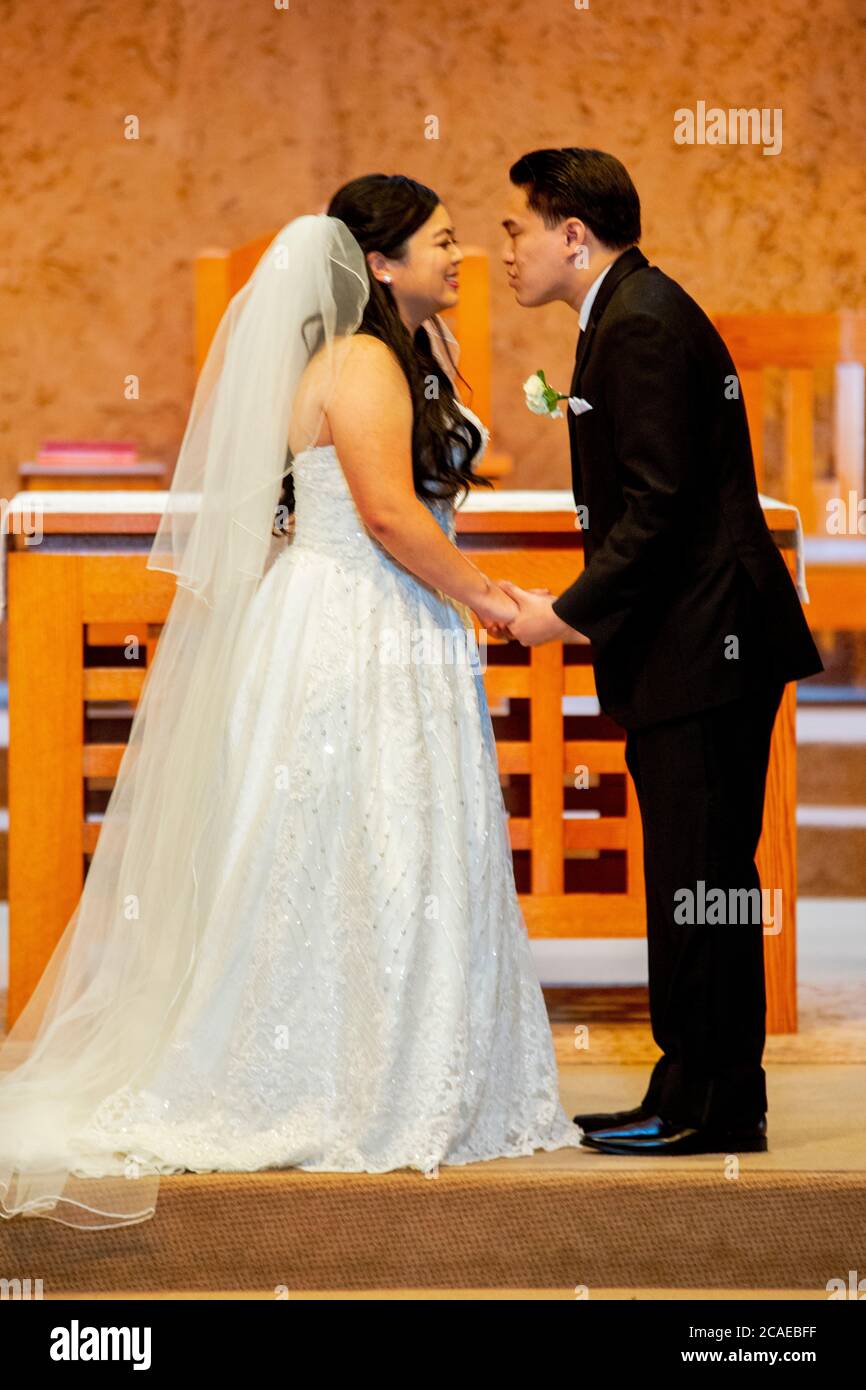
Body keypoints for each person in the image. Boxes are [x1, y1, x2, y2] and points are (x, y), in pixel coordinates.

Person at [0, 174, 583, 1230]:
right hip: (348, 624)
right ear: (382, 263)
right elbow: (392, 517)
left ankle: (412, 1063)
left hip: (397, 622)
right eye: (440, 242)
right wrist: (491, 599)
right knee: (330, 842)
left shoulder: (419, 353)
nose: (459, 258)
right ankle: (322, 1074)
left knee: (401, 846)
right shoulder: (357, 361)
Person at [498, 147, 824, 1155]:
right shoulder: (628, 311)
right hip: (695, 645)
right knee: (697, 877)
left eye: (516, 227)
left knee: (701, 878)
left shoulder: (635, 323)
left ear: (570, 233)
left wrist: (560, 613)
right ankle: (691, 1088)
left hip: (703, 646)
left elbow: (658, 510)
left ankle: (709, 1105)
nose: (502, 248)